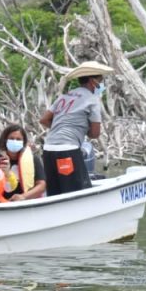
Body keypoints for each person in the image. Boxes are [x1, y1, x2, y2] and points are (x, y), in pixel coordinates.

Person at [39, 60, 113, 196]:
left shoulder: (65, 96)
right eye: (101, 81)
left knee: (55, 193)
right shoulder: (92, 99)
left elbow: (44, 119)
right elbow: (95, 134)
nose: (102, 84)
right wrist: (81, 130)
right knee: (75, 193)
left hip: (48, 150)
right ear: (93, 81)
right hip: (67, 151)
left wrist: (59, 127)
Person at [0, 124, 46, 201]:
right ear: (5, 140)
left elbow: (42, 185)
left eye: (18, 139)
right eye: (11, 138)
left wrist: (23, 196)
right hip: (3, 202)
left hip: (27, 202)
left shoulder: (33, 159)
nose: (15, 141)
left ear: (23, 142)